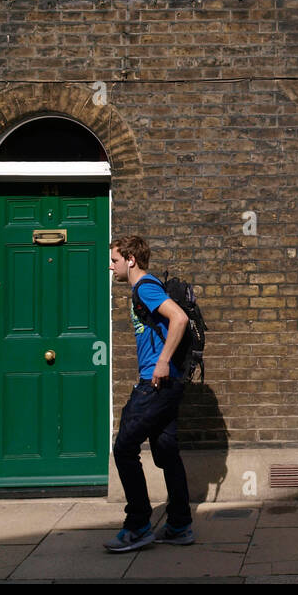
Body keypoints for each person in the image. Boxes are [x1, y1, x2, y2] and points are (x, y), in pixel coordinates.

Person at [104, 235, 195, 552]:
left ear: (130, 259)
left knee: (124, 447)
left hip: (156, 383)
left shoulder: (145, 287)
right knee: (166, 450)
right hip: (167, 384)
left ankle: (139, 525)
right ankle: (180, 525)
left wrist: (162, 362)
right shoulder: (143, 289)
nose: (110, 266)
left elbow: (179, 318)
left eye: (114, 260)